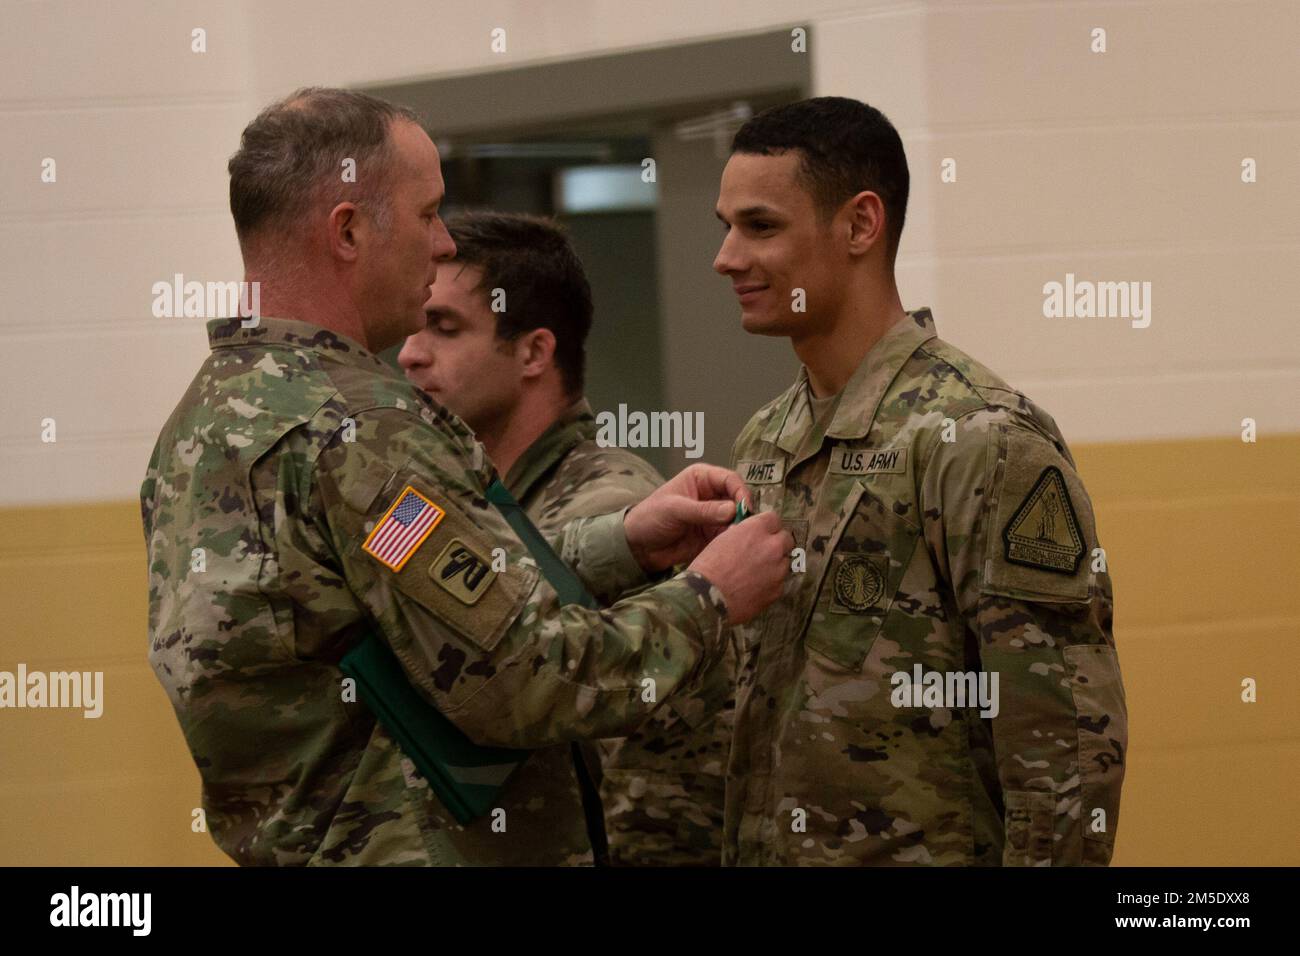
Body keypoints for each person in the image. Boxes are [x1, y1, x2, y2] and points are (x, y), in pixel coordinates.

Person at [141, 86, 792, 867]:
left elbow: (387, 611)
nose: (444, 243)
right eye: (427, 213)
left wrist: (618, 545)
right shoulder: (355, 429)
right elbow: (519, 681)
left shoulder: (208, 419)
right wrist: (710, 598)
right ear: (347, 231)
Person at [712, 96, 1127, 866]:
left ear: (861, 226)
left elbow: (1065, 752)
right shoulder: (767, 439)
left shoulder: (979, 439)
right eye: (726, 227)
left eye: (760, 227)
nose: (727, 258)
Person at [398, 211, 731, 865]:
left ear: (533, 352)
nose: (410, 352)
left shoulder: (611, 499)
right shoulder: (472, 495)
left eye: (443, 327)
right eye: (412, 324)